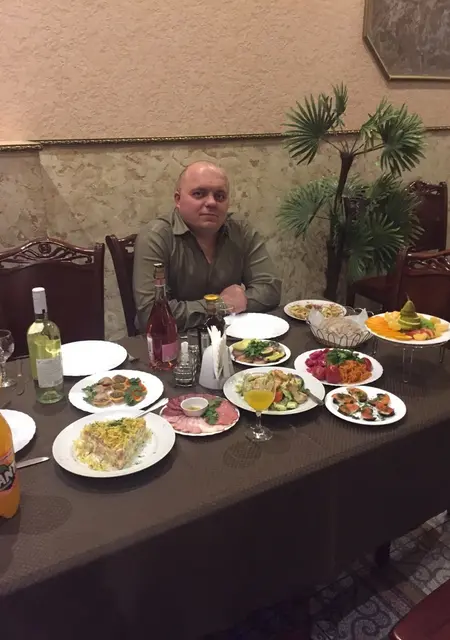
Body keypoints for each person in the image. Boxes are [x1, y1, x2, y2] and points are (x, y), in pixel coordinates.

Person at [133, 161, 281, 331]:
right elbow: (151, 314)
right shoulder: (156, 236)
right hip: (170, 341)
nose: (211, 202)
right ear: (178, 199)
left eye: (220, 196)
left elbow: (270, 289)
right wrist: (220, 305)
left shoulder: (240, 230)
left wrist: (238, 302)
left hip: (231, 337)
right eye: (199, 194)